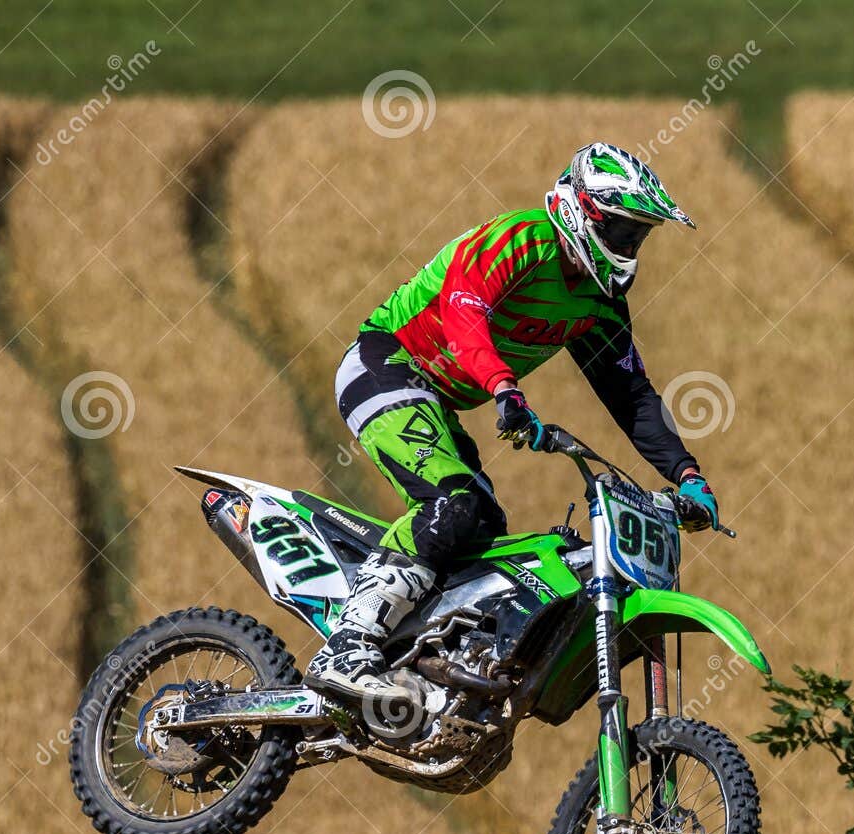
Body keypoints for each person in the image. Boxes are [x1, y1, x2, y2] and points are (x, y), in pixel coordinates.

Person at [305, 142, 721, 703]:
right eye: (624, 230)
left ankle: (422, 664)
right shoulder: (519, 239)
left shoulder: (598, 302)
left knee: (484, 533)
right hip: (388, 365)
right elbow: (463, 311)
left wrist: (687, 473)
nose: (630, 245)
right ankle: (347, 645)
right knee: (451, 504)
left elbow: (629, 394)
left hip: (438, 401)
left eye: (639, 235)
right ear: (583, 211)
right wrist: (504, 387)